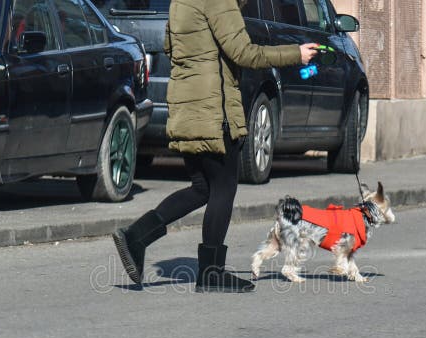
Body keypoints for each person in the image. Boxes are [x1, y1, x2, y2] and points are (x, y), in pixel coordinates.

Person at [113, 0, 317, 293]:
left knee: (202, 188)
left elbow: (174, 47)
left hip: (189, 106)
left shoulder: (180, 2)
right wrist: (295, 54)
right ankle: (211, 272)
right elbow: (244, 52)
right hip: (213, 110)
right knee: (224, 187)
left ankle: (136, 237)